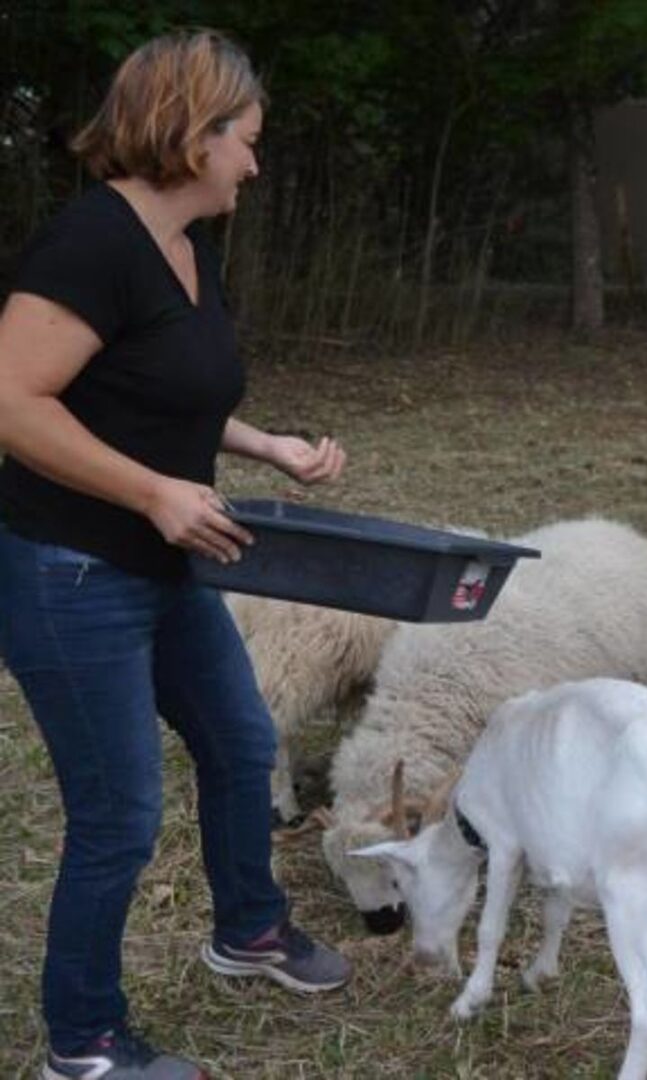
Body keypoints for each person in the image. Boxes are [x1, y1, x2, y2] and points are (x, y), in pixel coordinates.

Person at [0, 30, 352, 1080]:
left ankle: (248, 929)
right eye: (246, 140)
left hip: (161, 566)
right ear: (194, 139)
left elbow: (156, 390)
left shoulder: (187, 250)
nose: (255, 161)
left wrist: (263, 444)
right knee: (119, 816)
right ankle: (85, 1043)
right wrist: (155, 492)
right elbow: (13, 400)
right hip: (69, 573)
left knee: (244, 745)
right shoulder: (89, 246)